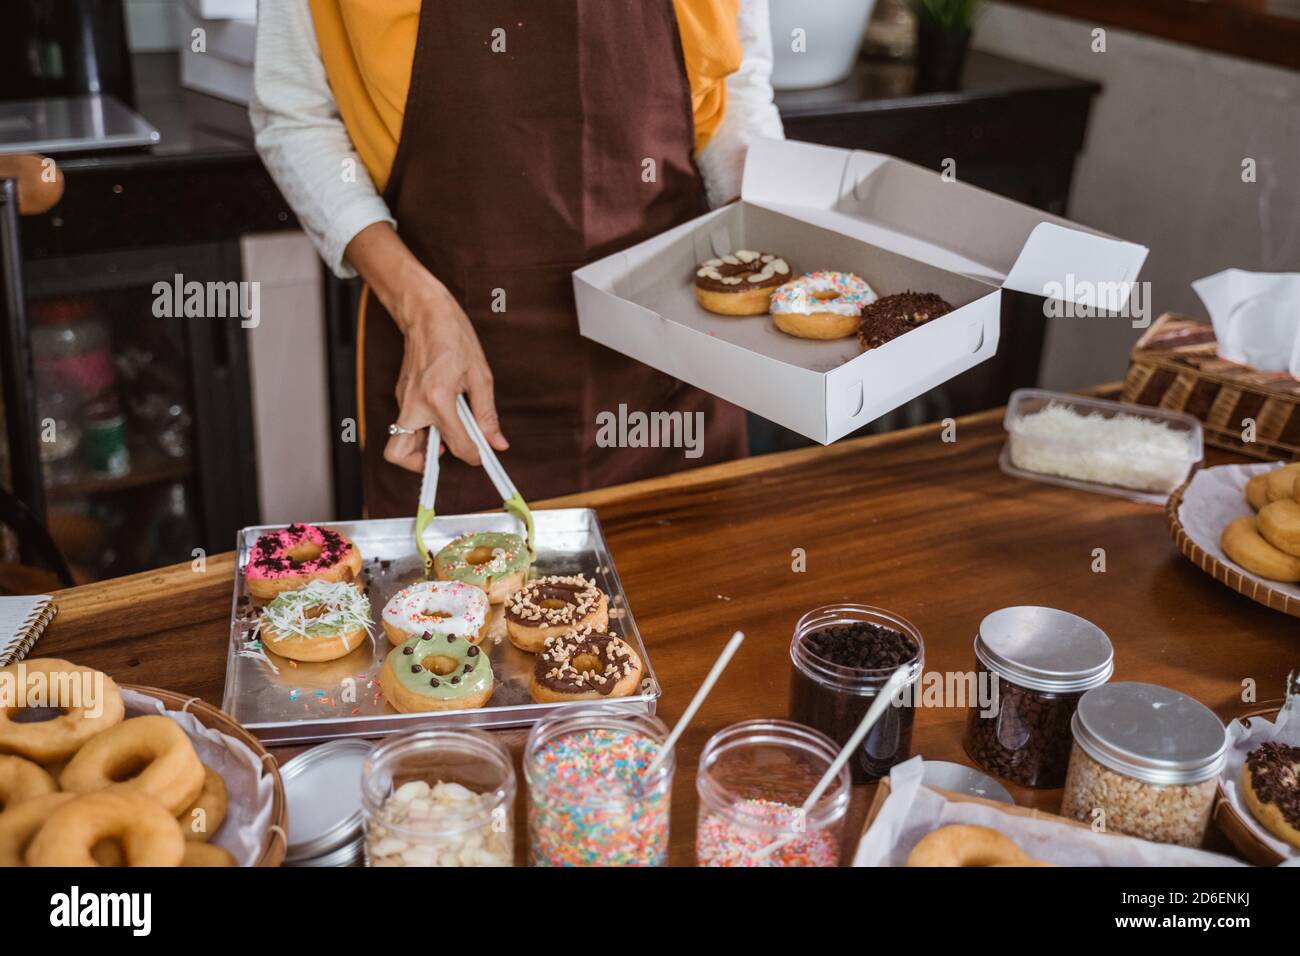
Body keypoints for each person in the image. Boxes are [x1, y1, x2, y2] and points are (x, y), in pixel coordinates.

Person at [251, 0, 783, 516]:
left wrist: (766, 241)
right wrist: (419, 306)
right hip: (451, 389)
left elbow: (734, 90)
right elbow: (297, 116)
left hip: (674, 378)